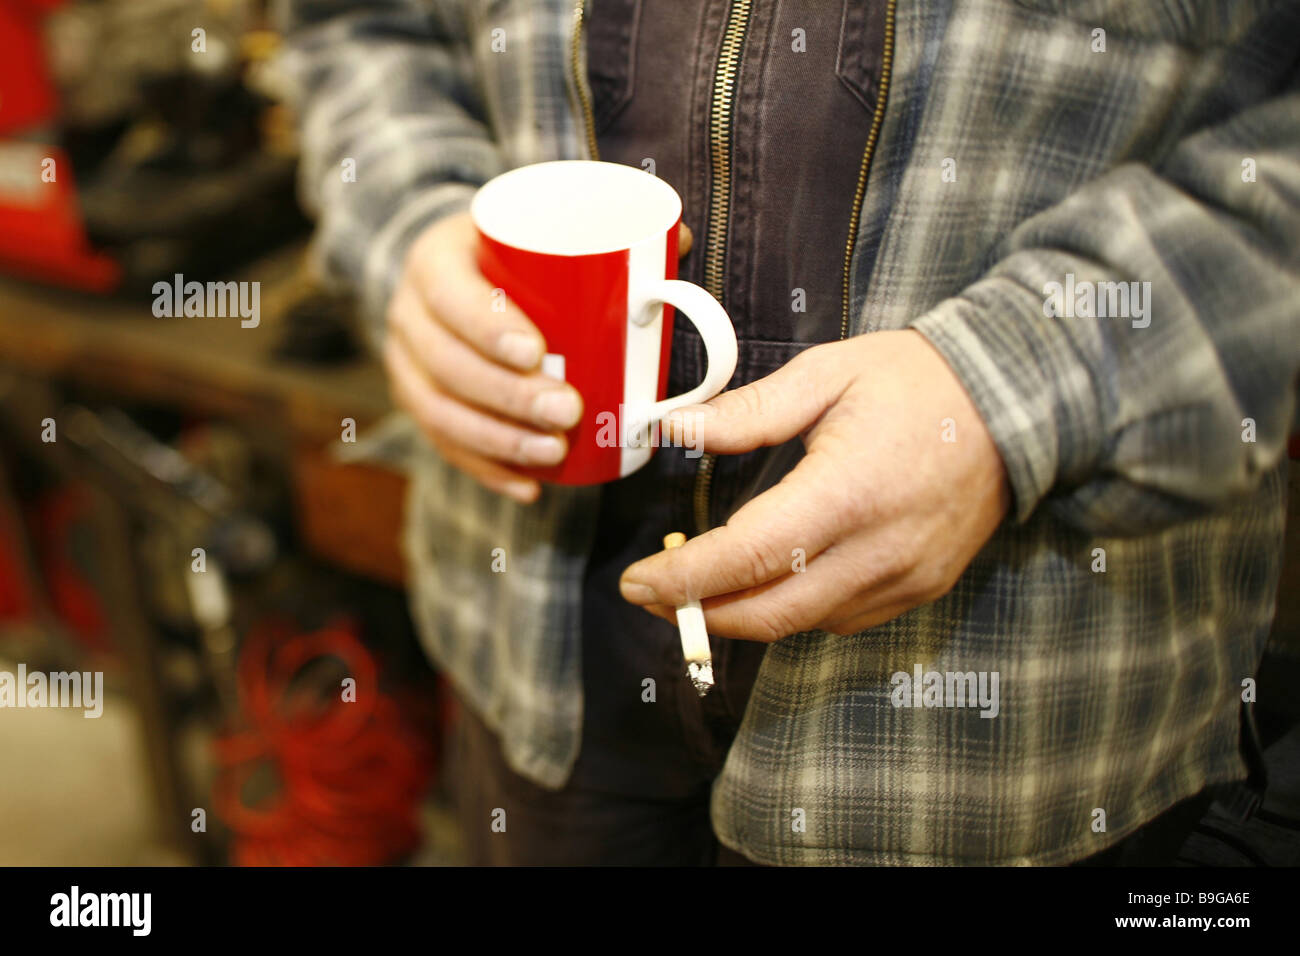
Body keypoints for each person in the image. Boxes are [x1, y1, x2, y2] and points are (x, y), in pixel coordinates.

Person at [277, 0, 1300, 865]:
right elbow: (359, 27)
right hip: (532, 667)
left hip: (1018, 743)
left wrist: (1023, 380)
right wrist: (407, 222)